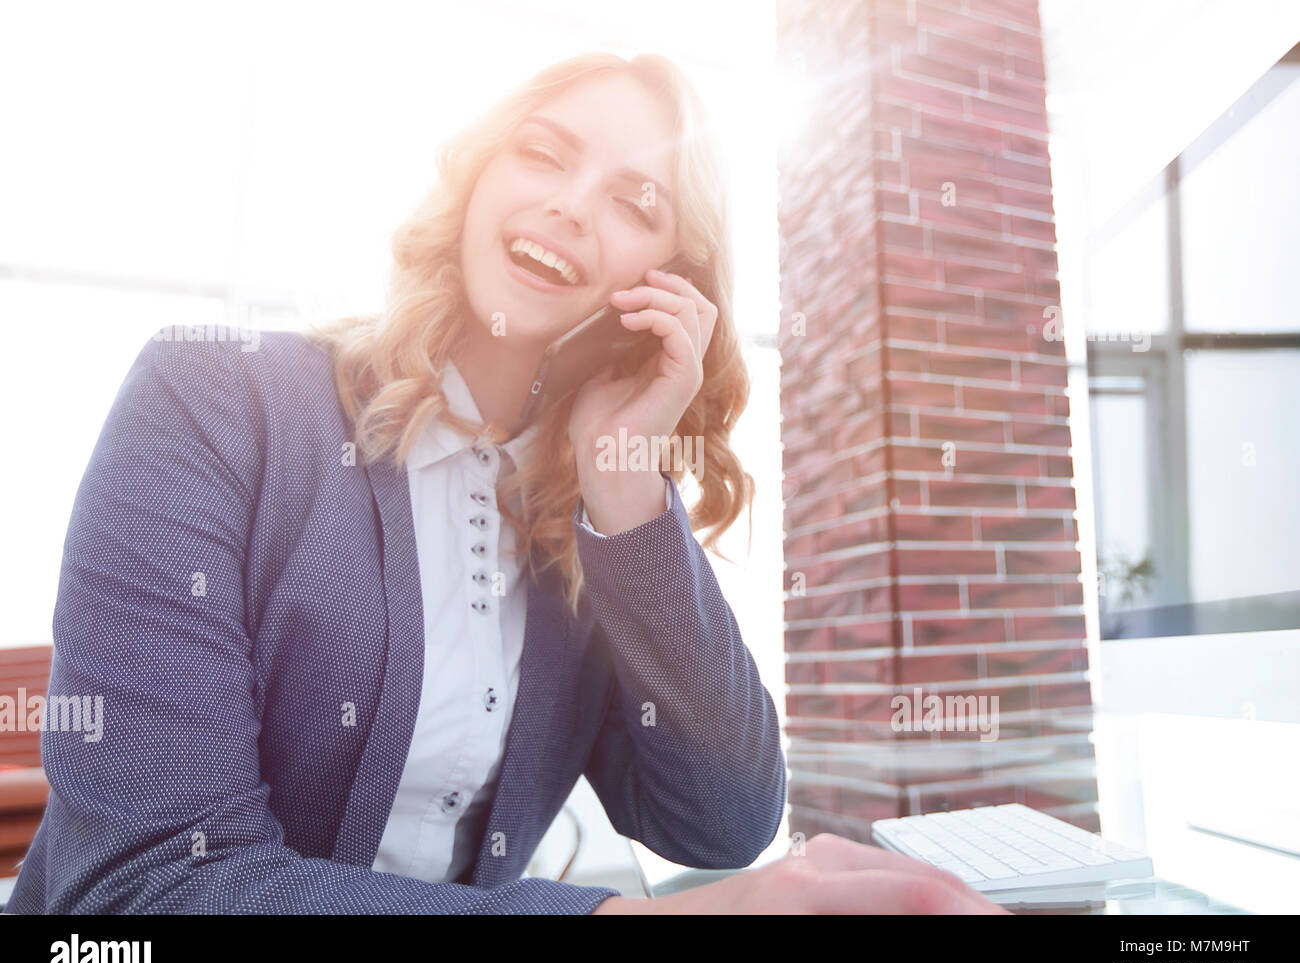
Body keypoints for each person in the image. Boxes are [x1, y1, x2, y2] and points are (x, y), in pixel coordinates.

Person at [6, 51, 1005, 915]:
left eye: (636, 202)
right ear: (478, 174)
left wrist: (628, 488)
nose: (571, 205)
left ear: (669, 281)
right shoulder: (214, 397)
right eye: (543, 153)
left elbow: (726, 819)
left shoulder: (585, 513)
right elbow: (148, 887)